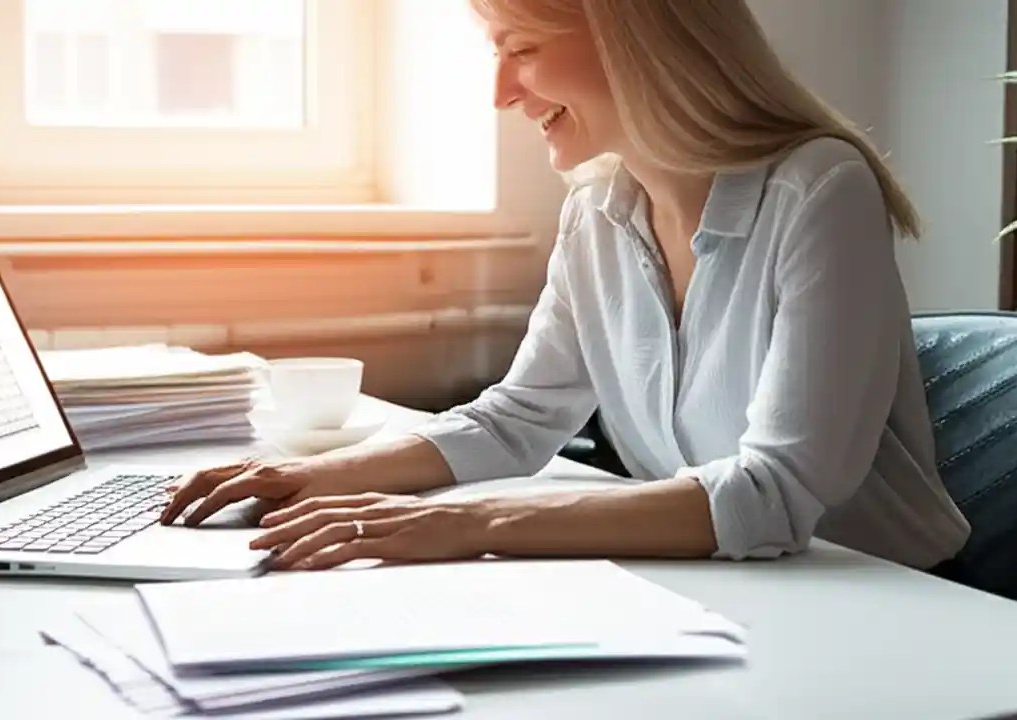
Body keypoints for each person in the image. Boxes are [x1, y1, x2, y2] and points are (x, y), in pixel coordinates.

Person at [160, 0, 971, 572]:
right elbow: (518, 419)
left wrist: (459, 524)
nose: (501, 93)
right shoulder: (598, 205)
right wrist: (317, 477)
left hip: (887, 600)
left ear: (631, 35)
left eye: (522, 48)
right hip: (742, 590)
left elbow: (777, 492)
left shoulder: (819, 191)